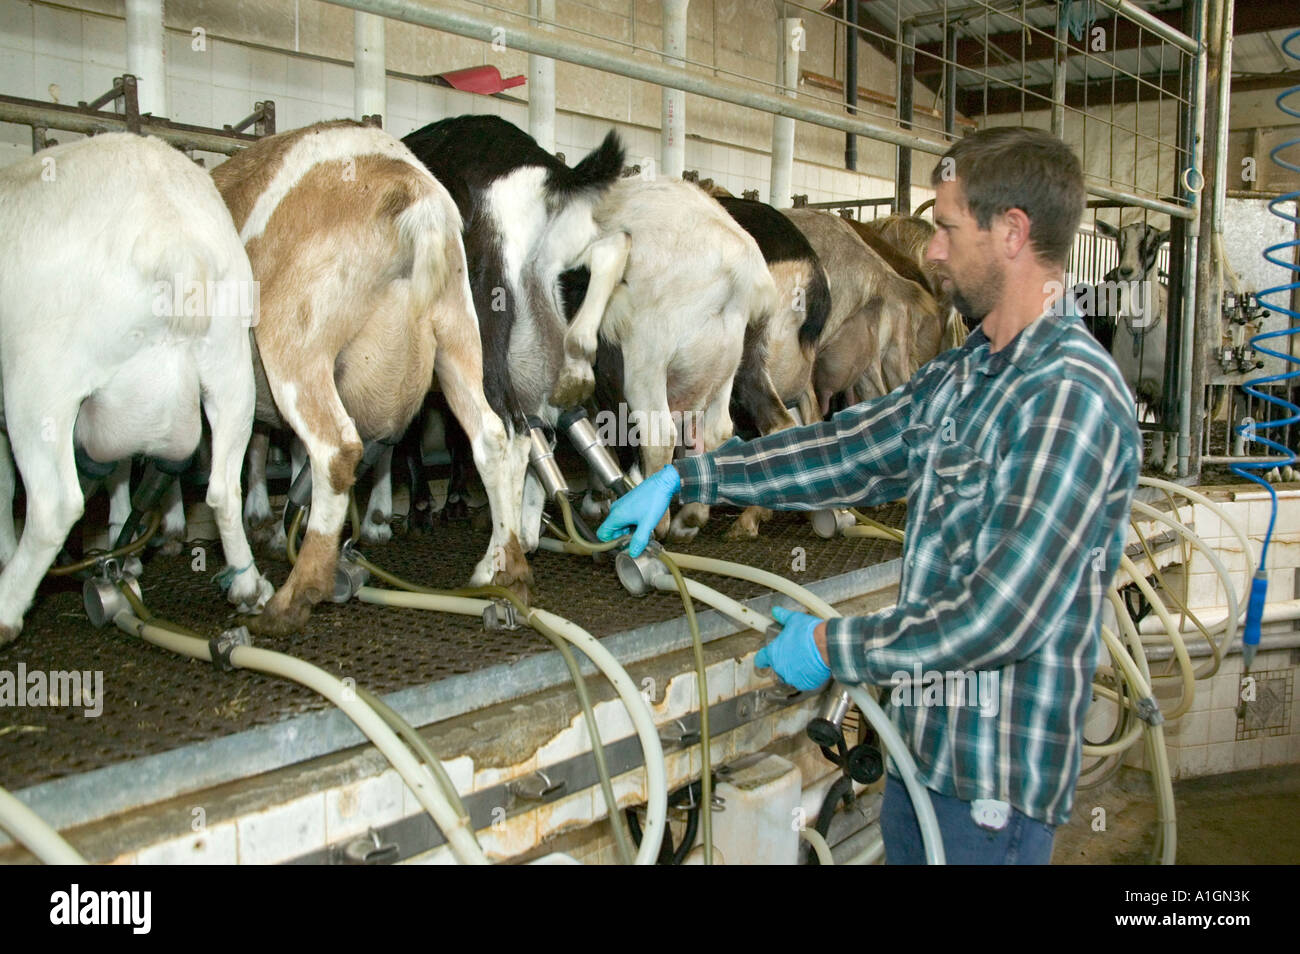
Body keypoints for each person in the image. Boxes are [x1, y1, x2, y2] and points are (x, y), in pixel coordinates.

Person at [597, 126, 1141, 865]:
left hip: (991, 792)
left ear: (1012, 232)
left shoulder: (1068, 397)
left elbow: (996, 619)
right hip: (923, 764)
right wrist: (694, 477)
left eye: (947, 227)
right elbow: (848, 451)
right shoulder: (971, 372)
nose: (934, 251)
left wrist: (832, 646)